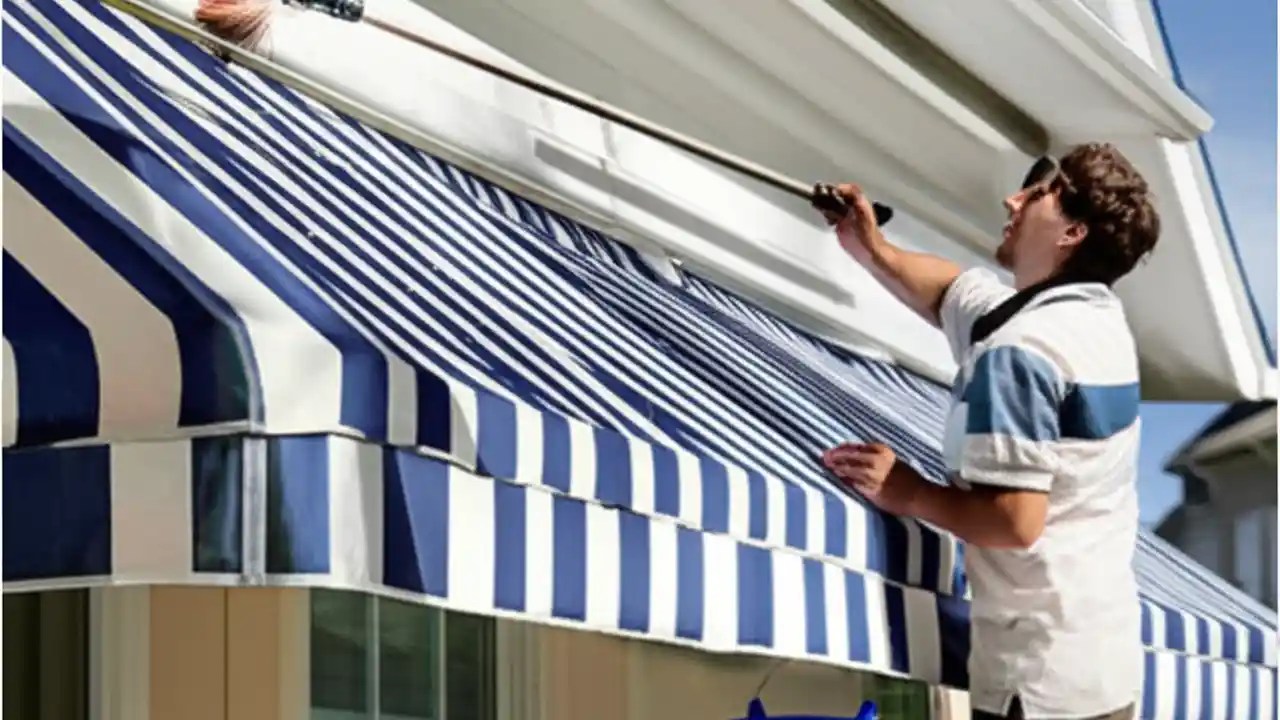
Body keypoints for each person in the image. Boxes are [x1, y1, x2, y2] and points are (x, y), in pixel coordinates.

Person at [814, 143, 1160, 720]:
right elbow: (955, 289)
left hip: (1038, 689)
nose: (1014, 198)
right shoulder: (1093, 322)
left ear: (1071, 231)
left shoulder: (1022, 353)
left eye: (1040, 190)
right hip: (1097, 670)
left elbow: (1015, 521)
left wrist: (908, 492)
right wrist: (872, 248)